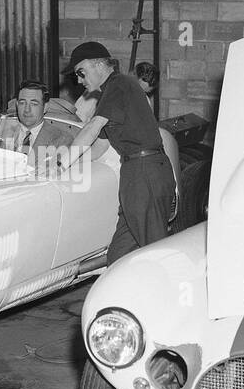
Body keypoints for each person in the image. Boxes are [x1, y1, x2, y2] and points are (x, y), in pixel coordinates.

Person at [64, 41, 172, 265]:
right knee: (118, 256)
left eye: (81, 73)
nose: (79, 80)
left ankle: (170, 294)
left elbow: (92, 128)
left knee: (155, 251)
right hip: (135, 173)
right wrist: (63, 164)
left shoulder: (119, 84)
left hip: (145, 171)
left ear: (98, 64)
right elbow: (98, 148)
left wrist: (61, 162)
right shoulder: (111, 94)